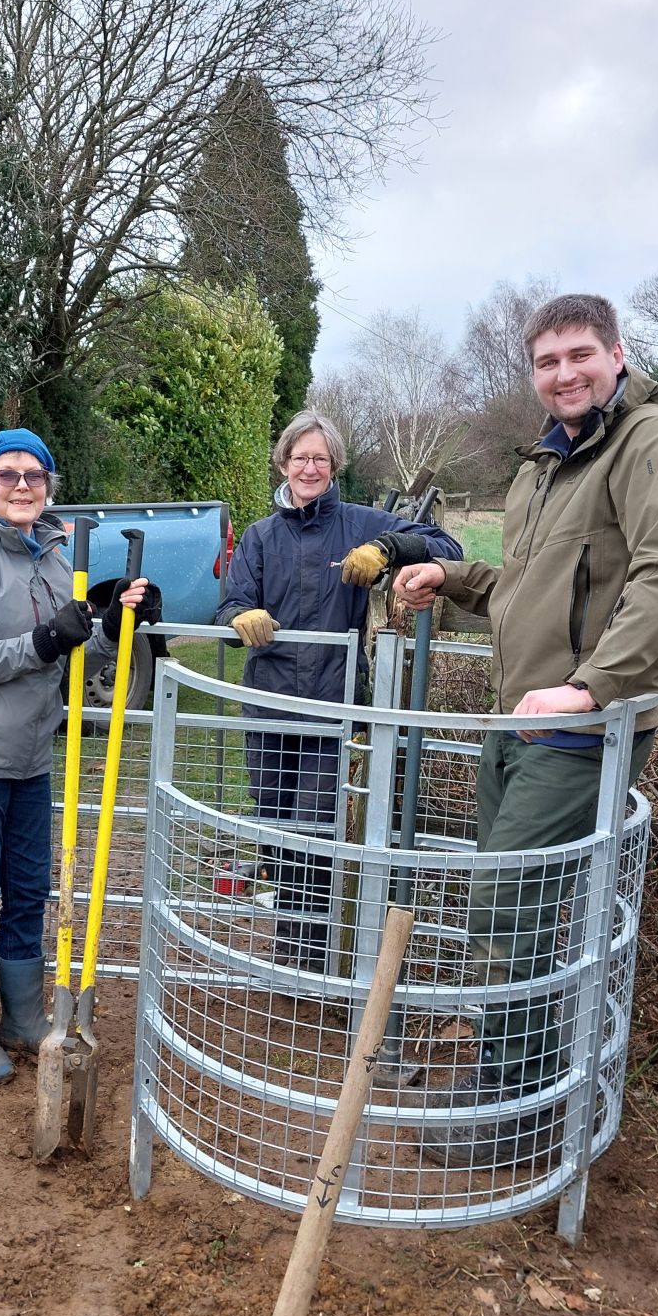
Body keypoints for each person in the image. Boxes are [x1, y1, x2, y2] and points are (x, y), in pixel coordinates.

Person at [386, 293, 658, 1167]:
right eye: (547, 362)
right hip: (516, 713)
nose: (563, 374)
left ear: (616, 353)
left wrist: (591, 687)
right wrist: (449, 576)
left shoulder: (653, 441)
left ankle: (520, 1100)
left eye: (579, 355)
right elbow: (531, 585)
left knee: (507, 902)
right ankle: (511, 1072)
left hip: (576, 724)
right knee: (517, 903)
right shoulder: (545, 463)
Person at [0, 427, 159, 1085]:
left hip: (28, 756)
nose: (22, 486)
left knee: (28, 887)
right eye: (8, 475)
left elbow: (77, 652)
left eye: (34, 475)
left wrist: (115, 624)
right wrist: (46, 639)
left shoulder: (58, 561)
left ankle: (22, 1016)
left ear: (49, 485)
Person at [216, 411, 460, 971]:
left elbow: (443, 542)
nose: (309, 467)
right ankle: (288, 948)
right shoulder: (259, 537)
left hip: (331, 706)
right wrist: (241, 614)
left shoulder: (357, 525)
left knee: (315, 827)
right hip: (270, 706)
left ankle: (314, 959)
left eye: (320, 458)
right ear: (283, 464)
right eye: (299, 457)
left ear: (334, 467)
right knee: (276, 826)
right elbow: (231, 601)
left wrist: (389, 550)